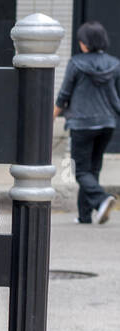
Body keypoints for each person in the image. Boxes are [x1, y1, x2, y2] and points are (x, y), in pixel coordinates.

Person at [55, 21, 120, 224]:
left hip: (82, 124)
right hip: (107, 124)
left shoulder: (76, 63)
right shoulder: (114, 64)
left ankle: (101, 199)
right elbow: (115, 97)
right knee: (92, 170)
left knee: (80, 170)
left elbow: (64, 95)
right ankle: (85, 216)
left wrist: (51, 117)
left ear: (84, 43)